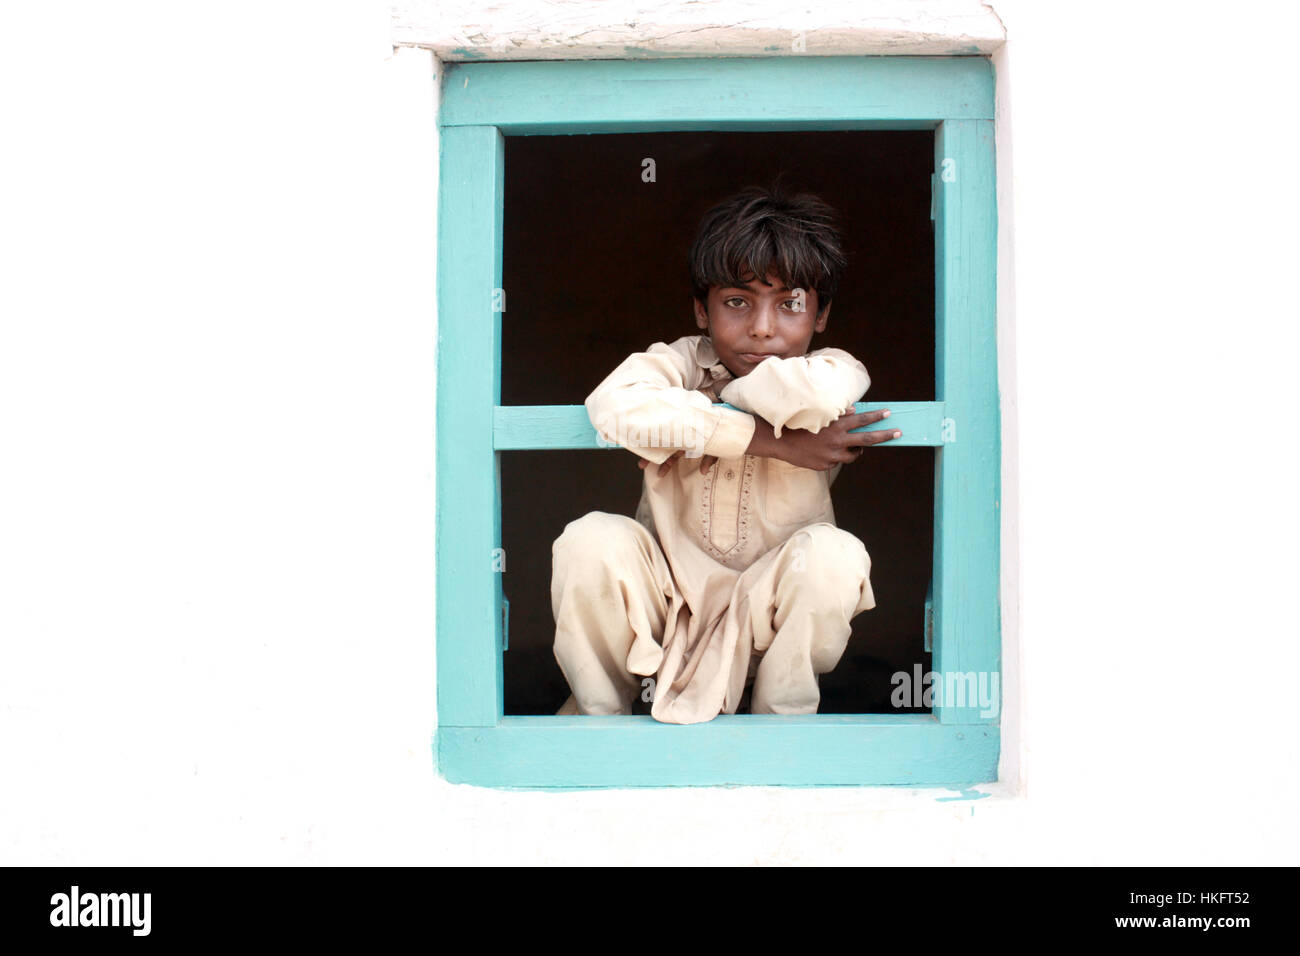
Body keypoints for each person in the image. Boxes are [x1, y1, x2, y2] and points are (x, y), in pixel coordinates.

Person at [551, 185, 900, 724]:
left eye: (790, 304)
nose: (762, 326)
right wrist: (772, 438)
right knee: (590, 539)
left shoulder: (834, 368)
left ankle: (778, 730)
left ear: (821, 315)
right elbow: (613, 406)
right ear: (701, 308)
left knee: (836, 556)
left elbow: (816, 397)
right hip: (666, 607)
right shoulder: (681, 361)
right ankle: (603, 725)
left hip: (767, 613)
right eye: (737, 301)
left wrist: (693, 415)